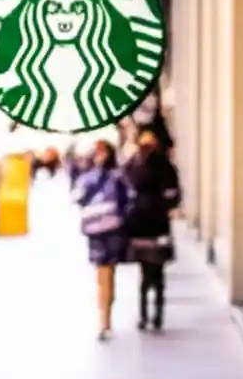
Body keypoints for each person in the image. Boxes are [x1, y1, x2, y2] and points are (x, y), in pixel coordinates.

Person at [122, 130, 181, 332]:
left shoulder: (134, 165)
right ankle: (155, 315)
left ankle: (146, 316)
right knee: (157, 273)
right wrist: (167, 206)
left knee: (146, 274)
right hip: (156, 223)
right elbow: (173, 194)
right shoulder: (163, 165)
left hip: (141, 224)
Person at [73, 140, 130, 341]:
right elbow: (126, 202)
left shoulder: (98, 177)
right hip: (103, 230)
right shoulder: (114, 176)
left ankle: (105, 319)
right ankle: (105, 319)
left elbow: (78, 197)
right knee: (105, 273)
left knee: (105, 272)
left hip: (103, 230)